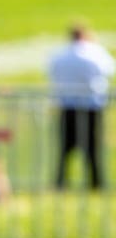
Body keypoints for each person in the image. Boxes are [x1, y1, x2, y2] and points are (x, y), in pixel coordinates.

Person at [49, 23, 115, 190]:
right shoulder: (94, 53)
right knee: (92, 148)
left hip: (68, 105)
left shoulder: (60, 55)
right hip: (91, 106)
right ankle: (95, 183)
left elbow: (52, 72)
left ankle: (61, 182)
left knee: (65, 148)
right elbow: (109, 70)